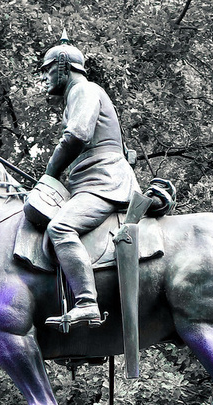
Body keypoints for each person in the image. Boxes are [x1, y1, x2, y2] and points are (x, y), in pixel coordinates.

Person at [38, 35, 138, 328]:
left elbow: (77, 135)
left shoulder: (83, 90)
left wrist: (49, 173)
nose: (45, 77)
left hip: (104, 181)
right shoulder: (79, 94)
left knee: (61, 227)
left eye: (47, 70)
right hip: (91, 181)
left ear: (62, 67)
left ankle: (86, 303)